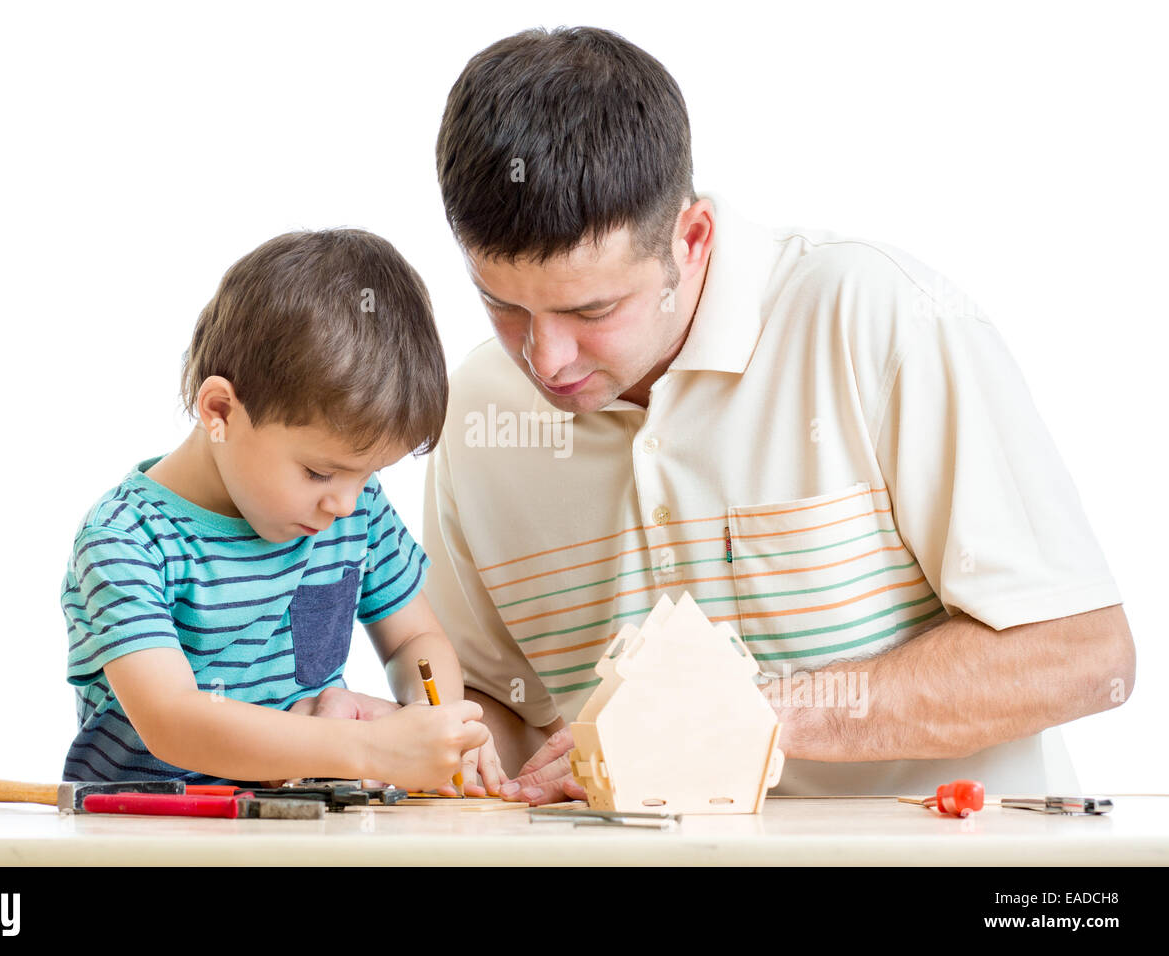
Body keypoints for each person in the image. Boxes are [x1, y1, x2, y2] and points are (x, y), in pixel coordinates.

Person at [423, 26, 1136, 802]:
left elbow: (1085, 655)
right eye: (502, 305)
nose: (545, 360)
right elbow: (494, 702)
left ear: (690, 240)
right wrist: (428, 744)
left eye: (593, 309)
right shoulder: (476, 415)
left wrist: (755, 713)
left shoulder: (876, 318)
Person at [60, 228, 503, 792]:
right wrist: (368, 750)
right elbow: (173, 723)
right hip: (153, 839)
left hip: (300, 827)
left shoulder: (354, 508)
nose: (344, 503)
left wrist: (432, 720)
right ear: (220, 410)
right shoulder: (125, 540)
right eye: (319, 472)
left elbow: (416, 642)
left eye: (369, 474)